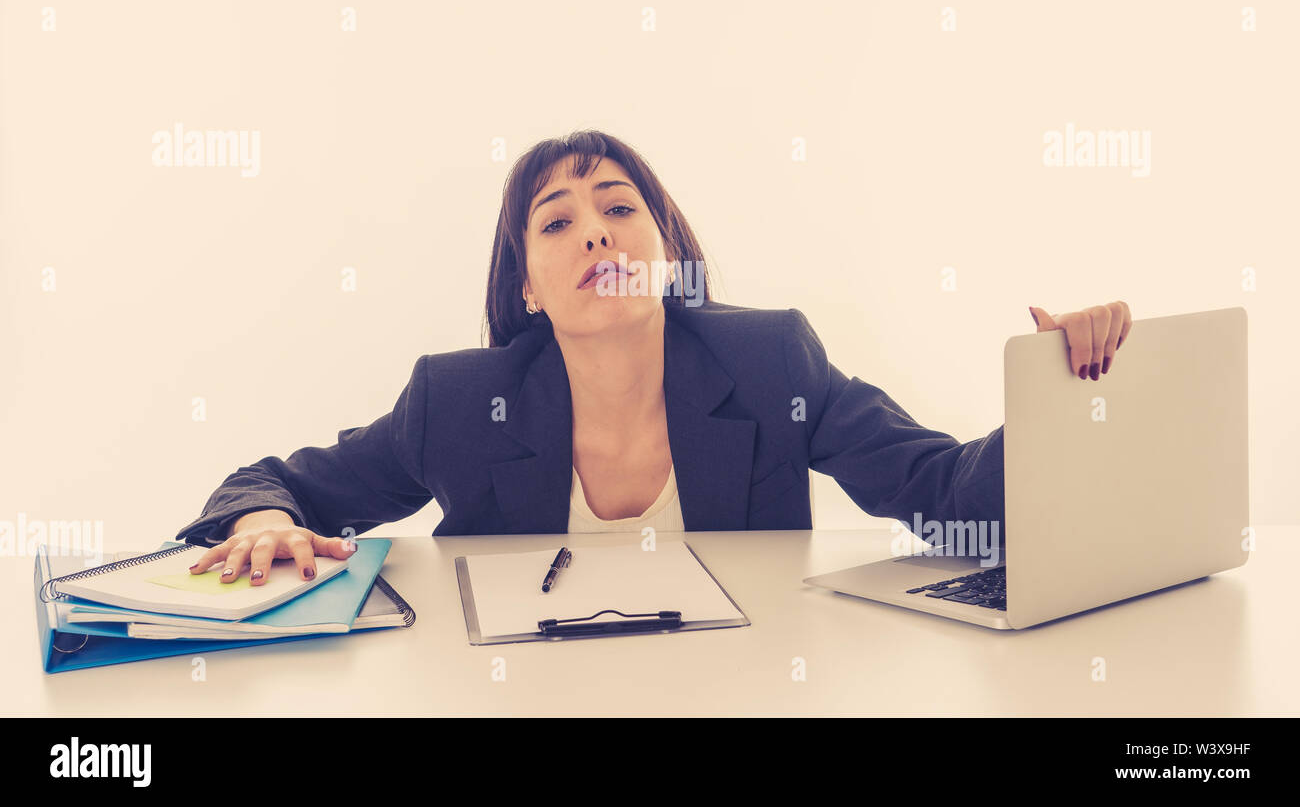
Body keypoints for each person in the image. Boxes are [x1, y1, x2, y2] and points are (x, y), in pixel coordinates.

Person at [178, 129, 1132, 586]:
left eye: (619, 208)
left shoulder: (771, 365)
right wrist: (267, 517)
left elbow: (947, 493)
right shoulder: (457, 403)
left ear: (668, 255)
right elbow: (273, 485)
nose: (595, 234)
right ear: (527, 288)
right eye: (558, 222)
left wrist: (1068, 392)